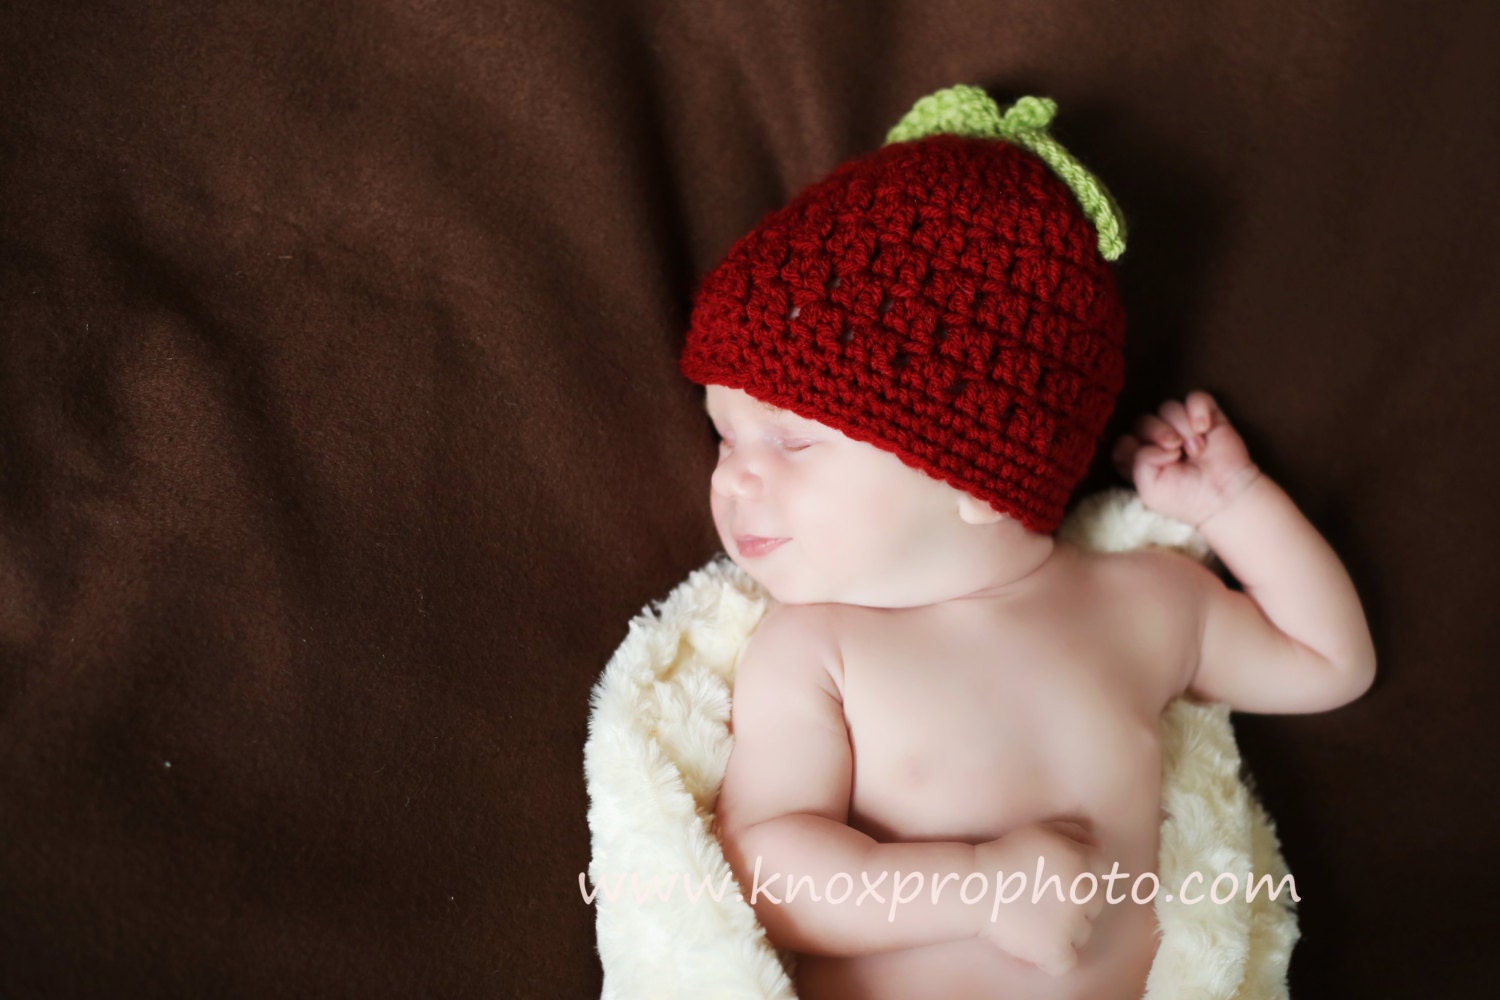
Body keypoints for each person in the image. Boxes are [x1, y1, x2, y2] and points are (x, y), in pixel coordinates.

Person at [678, 86, 1376, 999]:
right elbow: (767, 876)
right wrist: (975, 888)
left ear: (974, 471)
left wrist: (1232, 503)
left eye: (791, 440)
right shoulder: (818, 649)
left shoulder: (1142, 603)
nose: (734, 479)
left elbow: (1331, 662)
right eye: (725, 439)